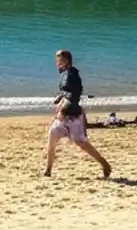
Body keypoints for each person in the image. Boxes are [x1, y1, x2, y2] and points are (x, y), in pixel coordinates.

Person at [44, 49, 111, 178]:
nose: (58, 62)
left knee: (81, 142)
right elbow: (66, 90)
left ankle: (105, 165)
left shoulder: (73, 74)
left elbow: (76, 93)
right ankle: (48, 171)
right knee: (52, 137)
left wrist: (65, 103)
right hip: (62, 115)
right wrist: (60, 98)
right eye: (57, 60)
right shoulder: (64, 73)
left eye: (61, 60)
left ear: (67, 60)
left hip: (73, 115)